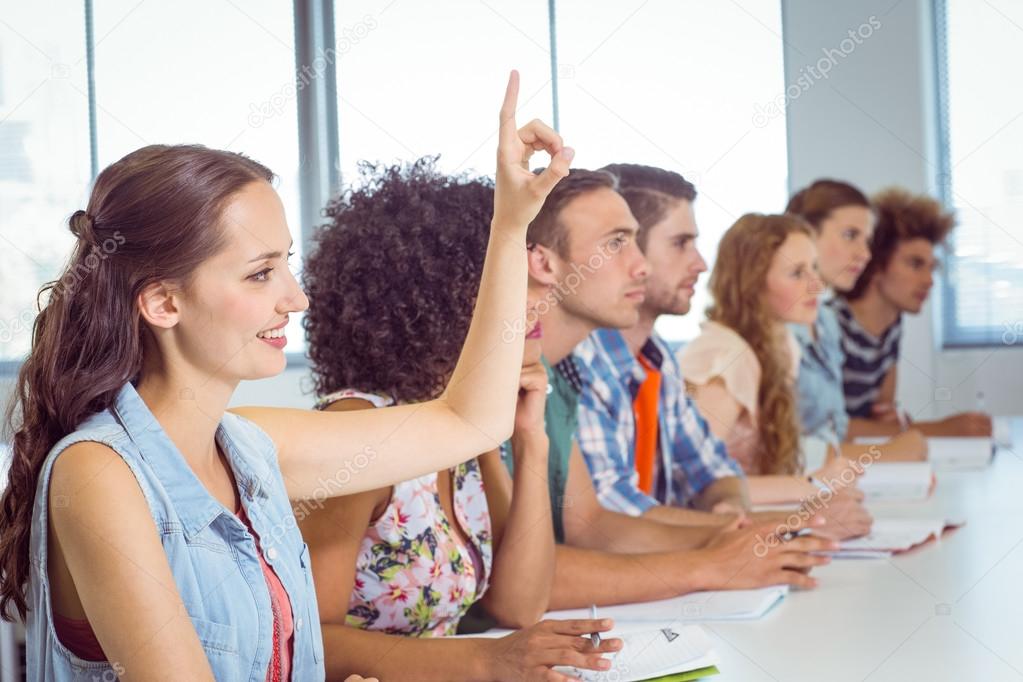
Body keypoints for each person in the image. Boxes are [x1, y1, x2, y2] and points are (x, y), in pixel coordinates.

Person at [0, 73, 611, 681]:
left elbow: (469, 421)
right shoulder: (99, 475)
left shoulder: (251, 447)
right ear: (163, 303)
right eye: (260, 274)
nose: (297, 299)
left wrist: (511, 223)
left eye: (287, 265)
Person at [298, 159, 620, 680]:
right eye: (514, 282)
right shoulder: (360, 428)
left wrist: (530, 440)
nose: (544, 297)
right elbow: (310, 644)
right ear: (442, 301)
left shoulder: (464, 429)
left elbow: (519, 605)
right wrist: (487, 661)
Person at [518, 170, 836, 609]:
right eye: (616, 243)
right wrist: (719, 554)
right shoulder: (554, 371)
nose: (641, 266)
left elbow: (595, 520)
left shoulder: (578, 372)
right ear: (542, 263)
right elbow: (521, 579)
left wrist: (734, 528)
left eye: (634, 241)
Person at [570, 164, 748, 525]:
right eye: (681, 243)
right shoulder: (578, 362)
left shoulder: (658, 357)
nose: (701, 264)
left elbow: (715, 469)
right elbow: (609, 520)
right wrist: (729, 530)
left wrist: (727, 509)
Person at [677, 213, 871, 536]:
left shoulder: (781, 346)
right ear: (752, 285)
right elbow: (694, 485)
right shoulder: (725, 356)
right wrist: (812, 485)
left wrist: (818, 480)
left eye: (814, 268)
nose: (816, 285)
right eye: (797, 273)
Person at [785, 179, 927, 462]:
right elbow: (781, 452)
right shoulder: (777, 326)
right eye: (850, 235)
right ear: (805, 235)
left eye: (867, 241)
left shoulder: (826, 323)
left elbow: (833, 432)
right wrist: (886, 452)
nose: (865, 254)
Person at [833, 187, 992, 437]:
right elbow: (827, 430)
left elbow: (880, 418)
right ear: (875, 265)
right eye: (915, 264)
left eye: (931, 267)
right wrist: (939, 429)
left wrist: (895, 423)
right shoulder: (831, 325)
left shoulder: (892, 326)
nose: (929, 280)